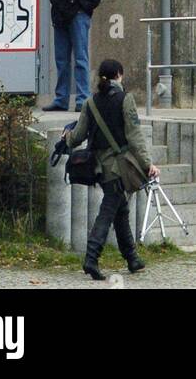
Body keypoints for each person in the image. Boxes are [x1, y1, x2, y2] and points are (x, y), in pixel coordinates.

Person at [65, 58, 159, 280]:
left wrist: (65, 139)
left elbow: (78, 136)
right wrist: (148, 164)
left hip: (100, 167)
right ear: (118, 74)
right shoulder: (125, 99)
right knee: (108, 211)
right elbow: (135, 136)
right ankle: (91, 258)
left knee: (121, 210)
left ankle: (132, 259)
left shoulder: (90, 102)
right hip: (119, 168)